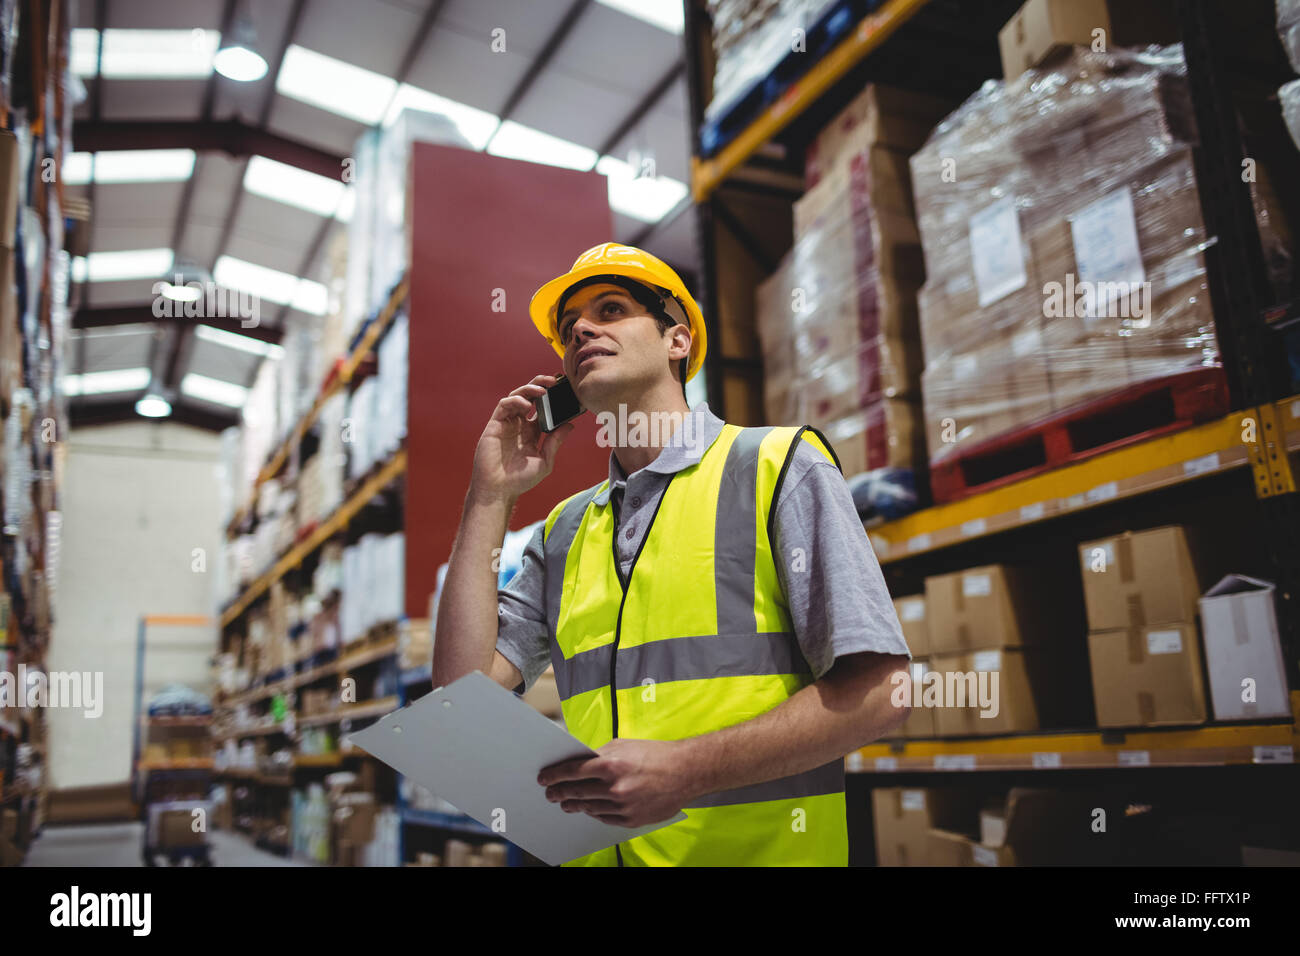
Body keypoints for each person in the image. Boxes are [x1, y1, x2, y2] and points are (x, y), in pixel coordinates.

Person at [433, 242, 912, 866]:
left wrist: (686, 771)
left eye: (610, 309)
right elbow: (461, 695)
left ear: (677, 341)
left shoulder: (776, 467)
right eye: (568, 326)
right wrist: (489, 496)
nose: (580, 329)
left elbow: (883, 692)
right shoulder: (565, 531)